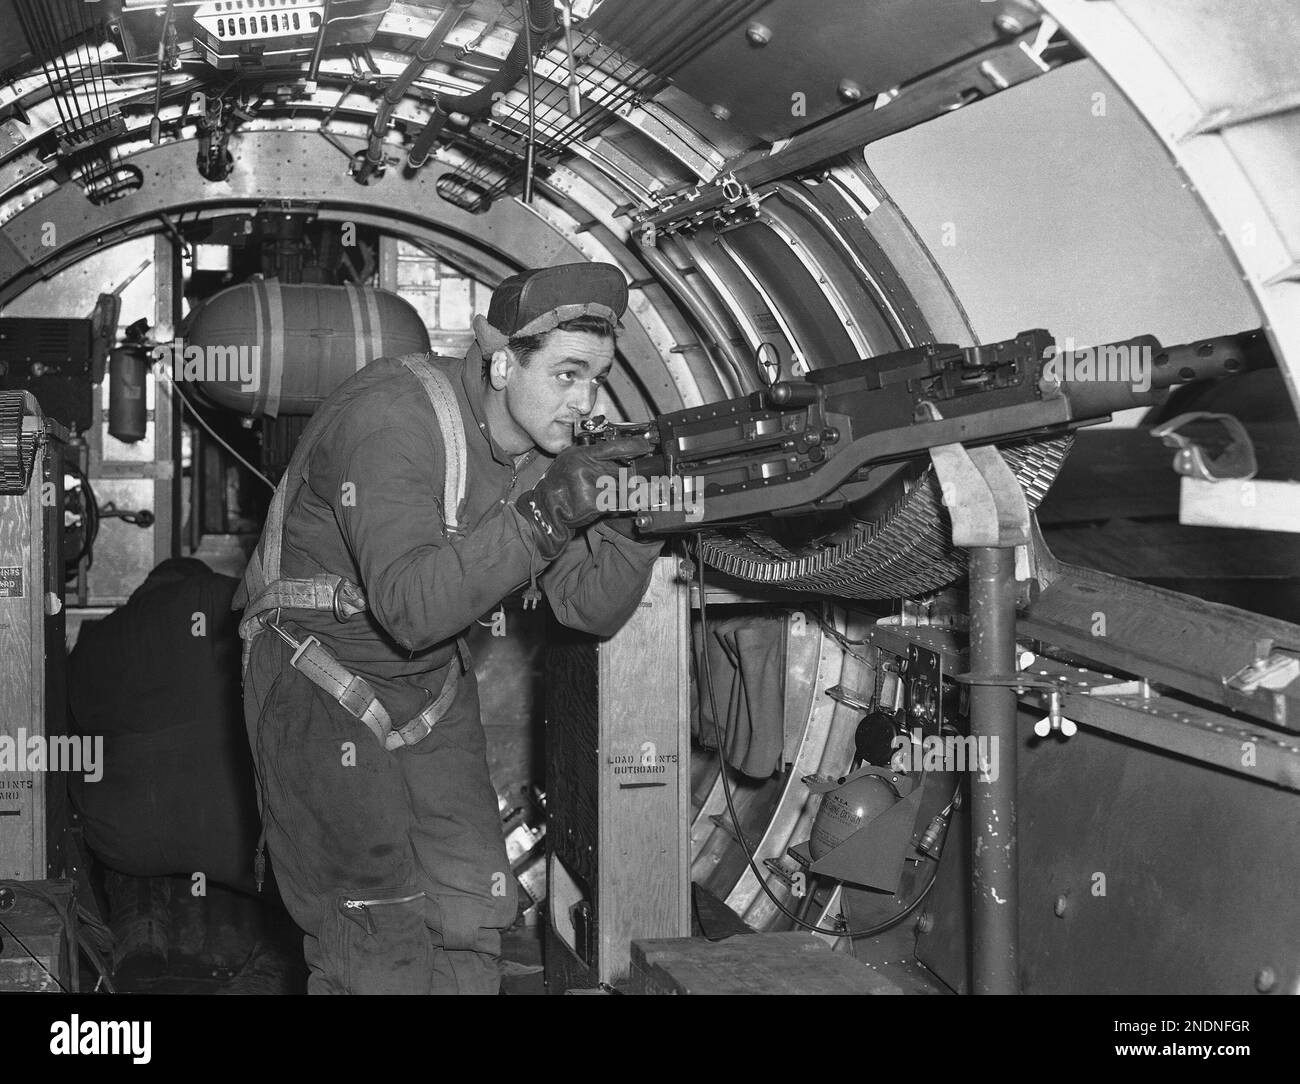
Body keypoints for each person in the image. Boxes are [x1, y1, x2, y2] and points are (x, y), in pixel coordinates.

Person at [236, 262, 662, 994]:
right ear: (502, 363)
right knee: (376, 934)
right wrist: (548, 514)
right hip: (317, 676)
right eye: (566, 375)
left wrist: (640, 524)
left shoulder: (536, 457)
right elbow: (410, 610)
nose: (585, 401)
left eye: (596, 377)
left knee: (472, 908)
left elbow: (587, 608)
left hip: (427, 686)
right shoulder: (392, 418)